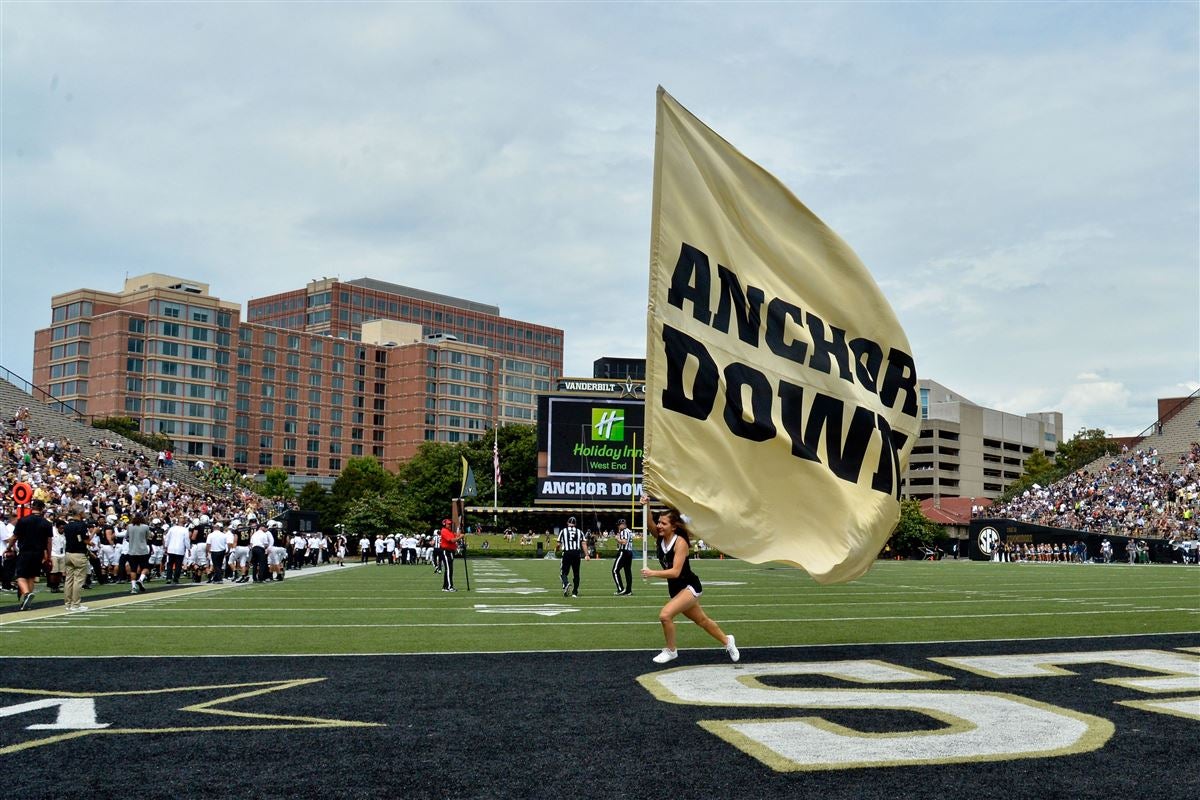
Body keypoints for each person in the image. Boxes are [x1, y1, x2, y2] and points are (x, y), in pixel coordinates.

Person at [640, 499, 739, 665]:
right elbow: (648, 522)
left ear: (674, 526)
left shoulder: (681, 543)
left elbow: (675, 572)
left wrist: (652, 573)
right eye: (659, 522)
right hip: (676, 590)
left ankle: (671, 651)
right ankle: (728, 641)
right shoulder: (660, 537)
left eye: (663, 523)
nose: (659, 526)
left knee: (665, 615)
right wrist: (646, 505)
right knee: (702, 621)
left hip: (689, 587)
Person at [13, 498, 53, 610]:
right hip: (38, 552)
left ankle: (26, 594)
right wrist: (48, 556)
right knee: (31, 577)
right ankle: (27, 601)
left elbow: (15, 536)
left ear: (32, 507)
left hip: (25, 551)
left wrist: (9, 547)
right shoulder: (46, 523)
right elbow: (49, 542)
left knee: (20, 576)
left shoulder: (23, 520)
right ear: (42, 509)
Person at [61, 504, 91, 612]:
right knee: (78, 580)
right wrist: (94, 533)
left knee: (69, 580)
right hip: (79, 554)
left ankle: (68, 604)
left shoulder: (68, 525)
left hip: (68, 553)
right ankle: (76, 604)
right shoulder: (82, 525)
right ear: (80, 513)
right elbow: (86, 541)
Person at [558, 516, 584, 597]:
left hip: (567, 553)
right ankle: (575, 592)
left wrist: (556, 549)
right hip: (576, 553)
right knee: (576, 573)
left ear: (567, 523)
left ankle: (566, 584)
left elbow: (558, 544)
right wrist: (587, 554)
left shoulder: (563, 531)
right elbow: (584, 543)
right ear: (575, 524)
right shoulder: (579, 531)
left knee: (563, 572)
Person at [125, 514, 151, 593]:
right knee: (145, 567)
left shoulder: (129, 526)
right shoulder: (145, 527)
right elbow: (148, 537)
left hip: (132, 551)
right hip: (143, 551)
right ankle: (140, 579)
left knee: (133, 569)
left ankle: (133, 588)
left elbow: (126, 537)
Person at [612, 518, 634, 596]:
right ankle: (629, 590)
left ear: (622, 525)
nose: (618, 527)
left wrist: (617, 539)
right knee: (627, 571)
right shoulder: (629, 531)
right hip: (629, 552)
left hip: (623, 552)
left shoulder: (624, 531)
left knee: (615, 570)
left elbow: (624, 542)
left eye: (619, 525)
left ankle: (620, 588)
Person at [437, 519, 459, 592]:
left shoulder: (449, 531)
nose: (450, 525)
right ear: (444, 524)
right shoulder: (444, 531)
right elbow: (451, 540)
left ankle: (445, 586)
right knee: (449, 569)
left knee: (448, 570)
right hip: (446, 551)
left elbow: (455, 537)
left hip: (450, 552)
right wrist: (460, 537)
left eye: (450, 524)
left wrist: (459, 535)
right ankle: (449, 587)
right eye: (448, 524)